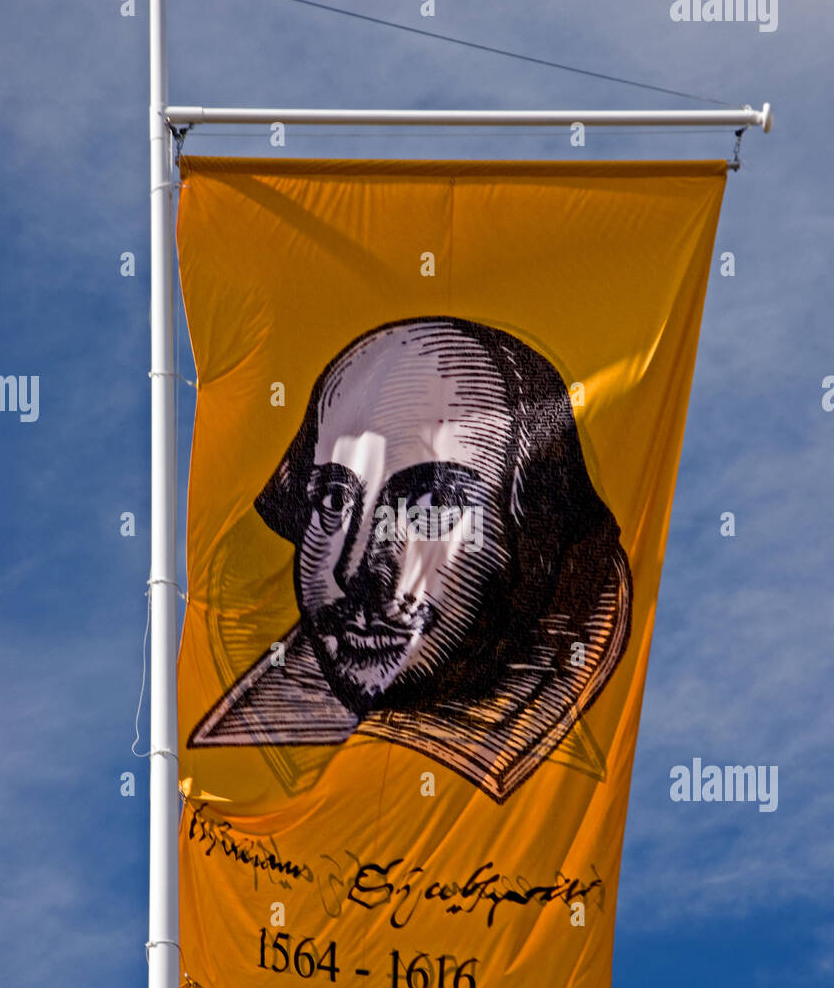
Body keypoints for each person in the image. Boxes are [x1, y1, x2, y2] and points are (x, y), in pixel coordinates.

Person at [189, 316, 632, 803]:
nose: (354, 571)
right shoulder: (275, 724)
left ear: (535, 531)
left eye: (430, 507)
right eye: (334, 501)